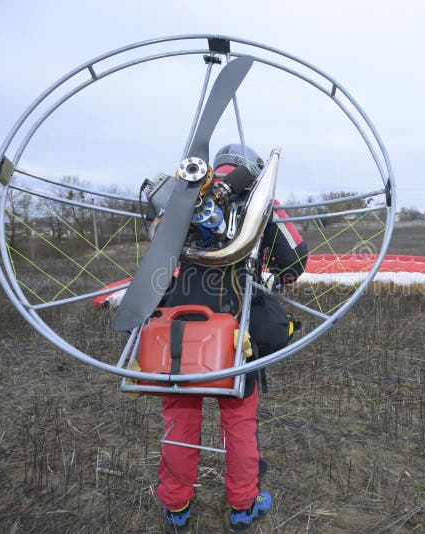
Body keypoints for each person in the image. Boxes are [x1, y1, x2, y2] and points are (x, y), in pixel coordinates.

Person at [155, 143, 308, 533]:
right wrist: (273, 279)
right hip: (236, 330)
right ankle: (243, 505)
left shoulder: (182, 198)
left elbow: (156, 261)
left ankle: (176, 505)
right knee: (239, 422)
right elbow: (295, 259)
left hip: (179, 327)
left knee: (179, 418)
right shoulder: (260, 202)